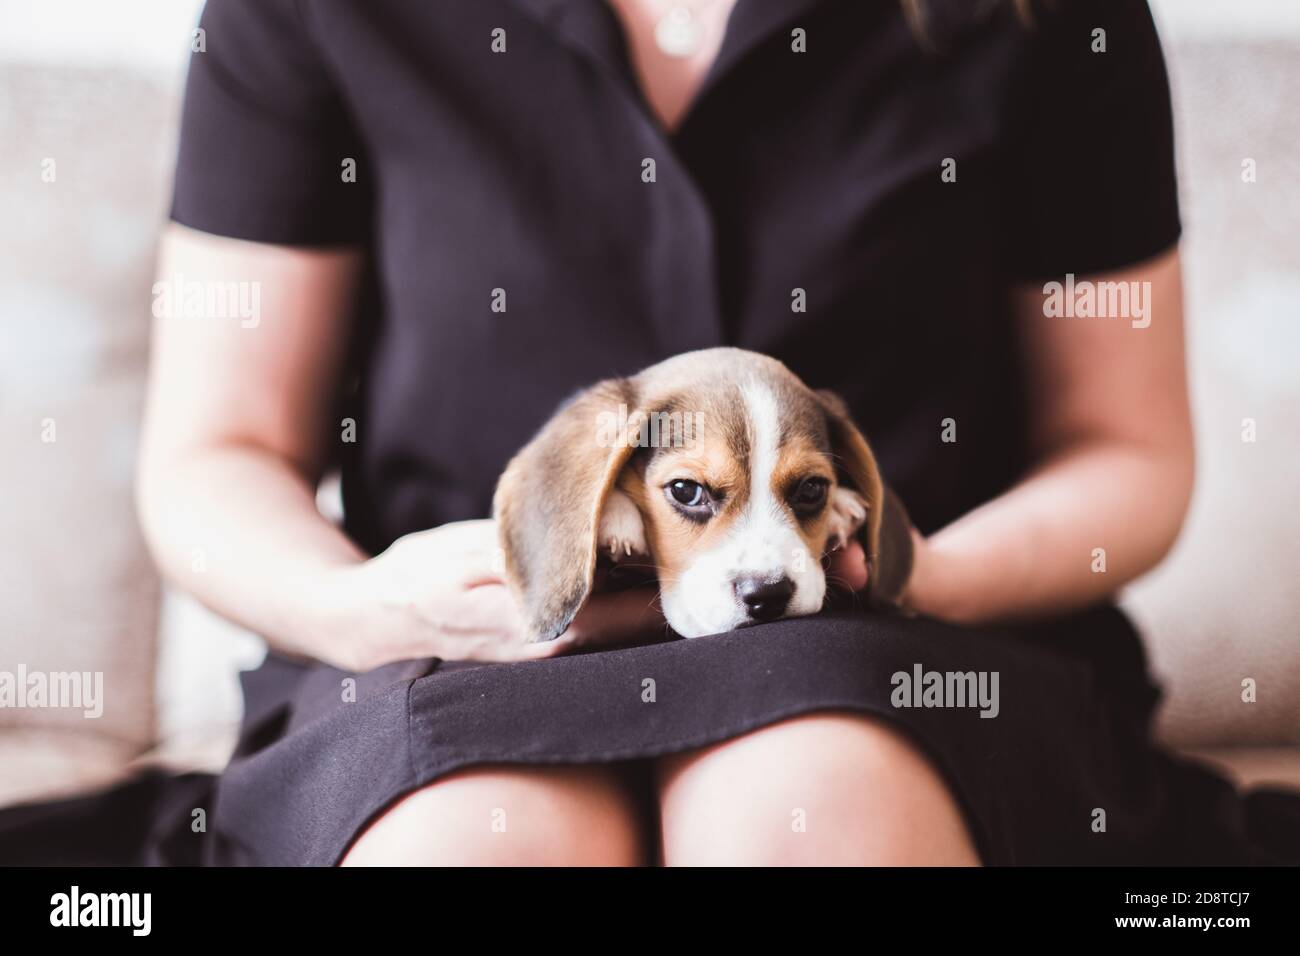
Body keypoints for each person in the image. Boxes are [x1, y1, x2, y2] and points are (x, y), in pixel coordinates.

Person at [133, 0, 1255, 866]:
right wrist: (361, 607)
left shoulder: (1048, 16)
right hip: (438, 650)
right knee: (475, 840)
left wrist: (923, 574)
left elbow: (1126, 448)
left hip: (909, 637)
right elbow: (213, 451)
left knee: (805, 812)